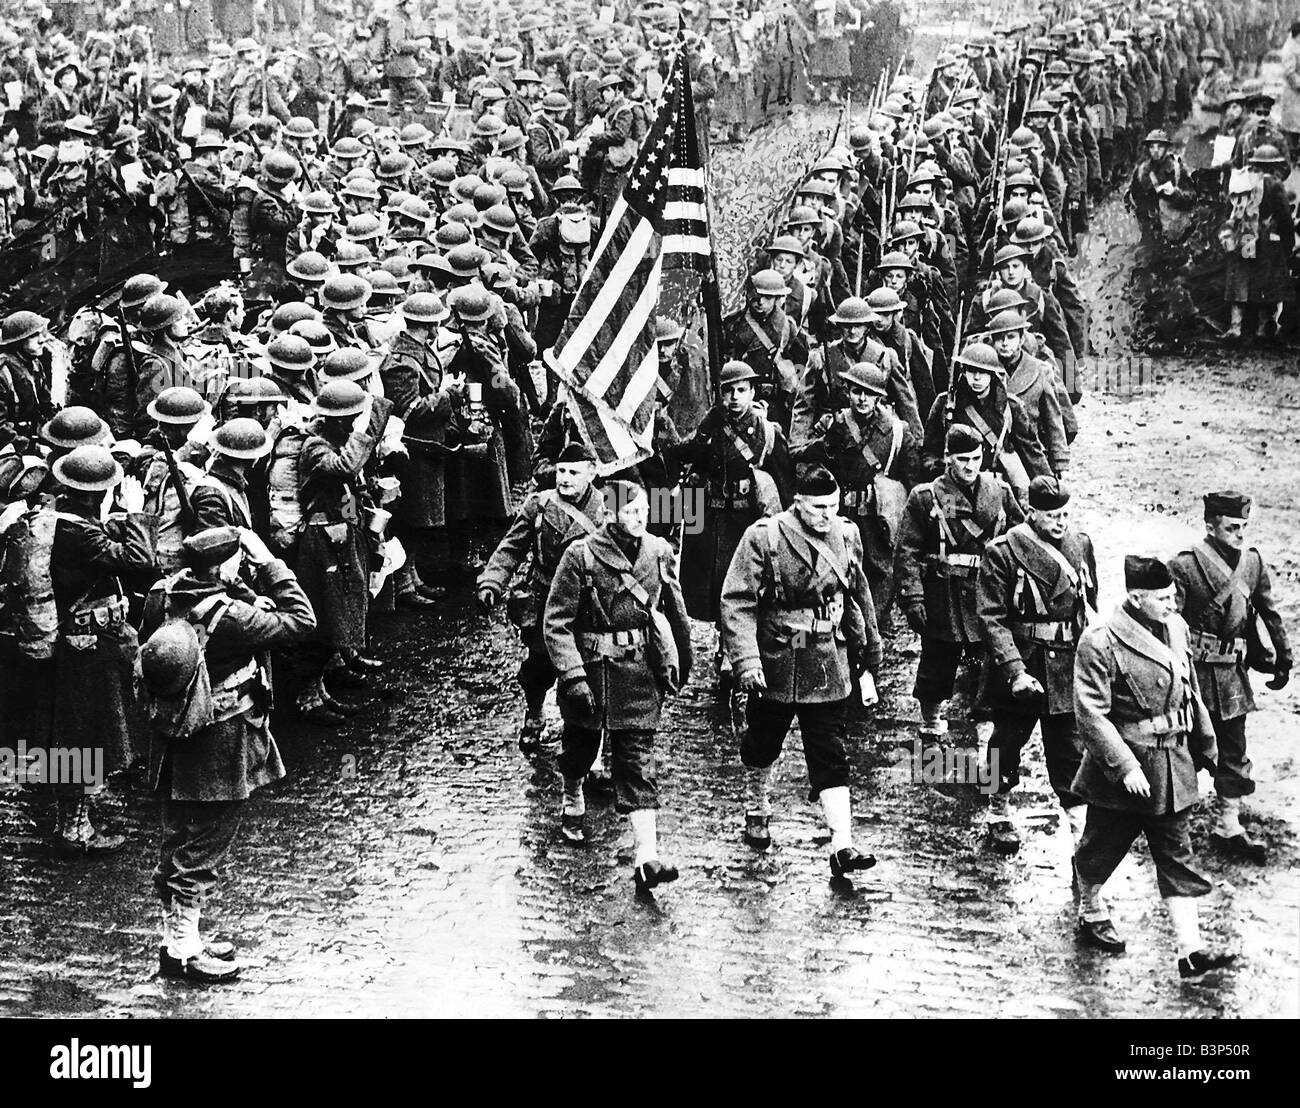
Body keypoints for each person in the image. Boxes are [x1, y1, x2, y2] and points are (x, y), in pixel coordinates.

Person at [140, 525, 316, 983]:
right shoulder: (233, 619)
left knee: (179, 835)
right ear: (223, 566)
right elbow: (302, 620)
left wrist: (234, 582)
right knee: (206, 843)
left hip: (176, 735)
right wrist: (269, 566)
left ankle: (181, 939)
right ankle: (182, 952)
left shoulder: (162, 596)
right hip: (220, 741)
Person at [1071, 555, 1236, 980]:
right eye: (1162, 598)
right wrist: (1124, 766)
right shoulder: (1100, 641)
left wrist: (1205, 747)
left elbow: (1190, 692)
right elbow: (1091, 713)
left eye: (1173, 596)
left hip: (1172, 763)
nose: (1172, 604)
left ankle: (1190, 951)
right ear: (1135, 597)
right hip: (1126, 772)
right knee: (1101, 848)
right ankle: (1090, 909)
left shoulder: (1175, 629)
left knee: (1177, 856)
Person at [719, 464, 883, 878]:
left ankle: (842, 844)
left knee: (830, 751)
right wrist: (747, 661)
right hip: (777, 656)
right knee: (762, 742)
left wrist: (870, 651)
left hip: (826, 659)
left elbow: (858, 592)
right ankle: (757, 804)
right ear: (797, 503)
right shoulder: (764, 536)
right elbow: (737, 601)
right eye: (816, 508)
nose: (825, 515)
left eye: (832, 506)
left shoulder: (847, 534)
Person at [542, 479, 693, 896]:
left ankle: (647, 857)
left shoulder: (660, 552)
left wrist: (682, 660)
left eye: (644, 509)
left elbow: (674, 610)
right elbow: (557, 622)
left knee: (636, 759)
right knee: (581, 746)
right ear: (609, 515)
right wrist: (571, 675)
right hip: (592, 673)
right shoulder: (581, 555)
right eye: (630, 511)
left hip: (639, 672)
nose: (639, 517)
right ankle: (572, 793)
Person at [1167, 492, 1291, 863]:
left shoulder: (1252, 563)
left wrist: (1282, 657)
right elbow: (1167, 624)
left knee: (1234, 747)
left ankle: (1228, 824)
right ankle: (1176, 831)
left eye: (1243, 527)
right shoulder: (1184, 566)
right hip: (1195, 673)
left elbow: (1267, 613)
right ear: (1210, 526)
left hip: (1233, 675)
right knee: (1185, 749)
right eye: (1231, 527)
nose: (1239, 534)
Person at [976, 476, 1096, 855]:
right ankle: (998, 813)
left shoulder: (1081, 544)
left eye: (1064, 515)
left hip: (1065, 667)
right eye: (1051, 516)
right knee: (1006, 742)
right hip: (1023, 661)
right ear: (1030, 513)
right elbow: (992, 618)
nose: (1060, 523)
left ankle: (1080, 833)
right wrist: (1014, 670)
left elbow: (1087, 606)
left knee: (1070, 750)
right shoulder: (1003, 552)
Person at [895, 423, 1023, 747]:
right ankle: (931, 723)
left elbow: (1021, 538)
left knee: (984, 663)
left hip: (986, 594)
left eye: (977, 458)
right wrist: (913, 599)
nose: (970, 466)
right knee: (937, 664)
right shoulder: (925, 497)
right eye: (963, 458)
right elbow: (907, 552)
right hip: (944, 596)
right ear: (948, 457)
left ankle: (983, 724)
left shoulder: (999, 492)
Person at [478, 441, 608, 749]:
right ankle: (534, 716)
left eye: (573, 472)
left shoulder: (609, 510)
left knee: (583, 673)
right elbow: (511, 547)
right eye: (561, 470)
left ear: (591, 472)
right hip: (545, 601)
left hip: (586, 607)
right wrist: (492, 582)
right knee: (538, 669)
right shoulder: (540, 504)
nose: (564, 478)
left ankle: (579, 733)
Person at [792, 360, 921, 625]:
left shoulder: (898, 432)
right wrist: (826, 444)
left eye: (869, 394)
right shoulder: (835, 425)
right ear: (847, 392)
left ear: (879, 397)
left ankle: (875, 631)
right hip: (842, 516)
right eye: (856, 391)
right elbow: (807, 459)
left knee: (880, 572)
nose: (862, 399)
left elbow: (912, 481)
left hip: (877, 519)